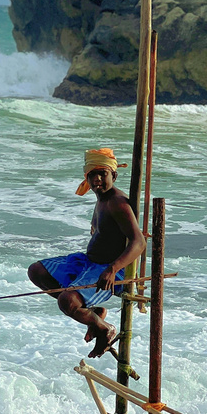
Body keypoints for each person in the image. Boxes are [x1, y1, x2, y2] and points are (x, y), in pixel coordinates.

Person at [28, 148, 145, 359]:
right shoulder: (102, 198)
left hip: (110, 271)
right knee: (37, 271)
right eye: (92, 174)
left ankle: (104, 328)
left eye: (103, 173)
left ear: (114, 176)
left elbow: (139, 242)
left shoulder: (117, 202)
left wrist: (112, 270)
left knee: (66, 301)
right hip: (89, 262)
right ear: (86, 177)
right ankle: (91, 314)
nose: (97, 179)